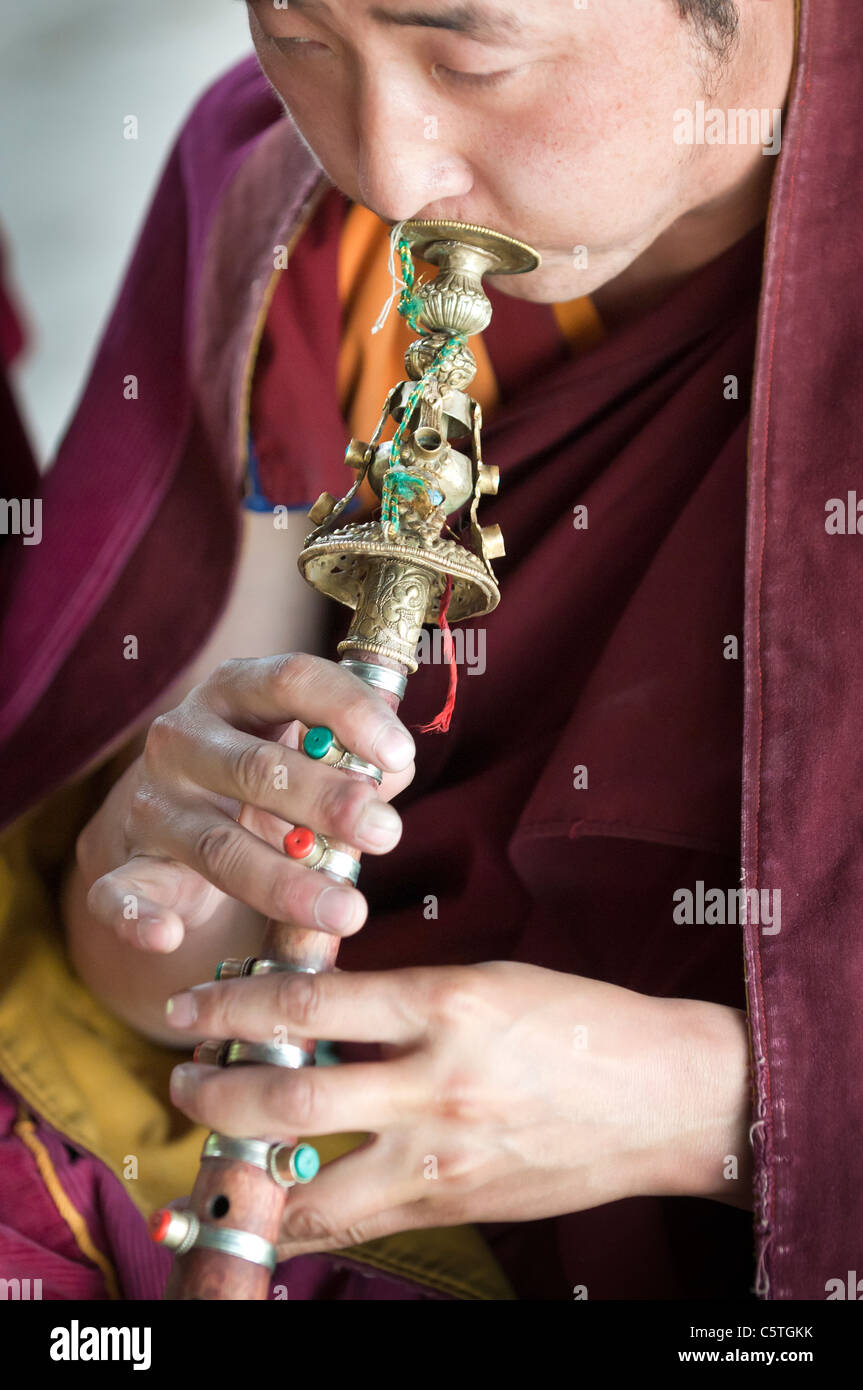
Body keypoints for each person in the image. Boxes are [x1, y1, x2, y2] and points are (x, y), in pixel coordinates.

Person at [0, 0, 855, 1302]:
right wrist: (165, 899)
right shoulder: (306, 222)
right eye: (298, 36)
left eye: (468, 56)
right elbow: (161, 921)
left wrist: (725, 1109)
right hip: (333, 1169)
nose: (388, 167)